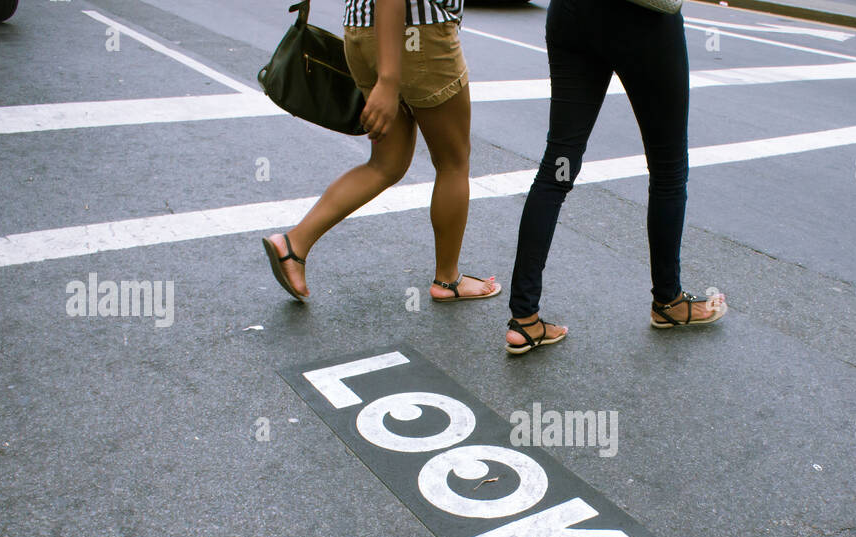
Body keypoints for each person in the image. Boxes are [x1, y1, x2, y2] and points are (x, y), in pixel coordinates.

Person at [503, 0, 726, 355]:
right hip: (642, 19)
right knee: (668, 167)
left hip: (573, 14)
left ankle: (524, 318)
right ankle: (668, 301)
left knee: (557, 167)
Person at [263, 0, 499, 304]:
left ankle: (293, 245)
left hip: (363, 33)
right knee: (453, 162)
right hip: (414, 35)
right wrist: (389, 81)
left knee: (386, 164)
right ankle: (448, 279)